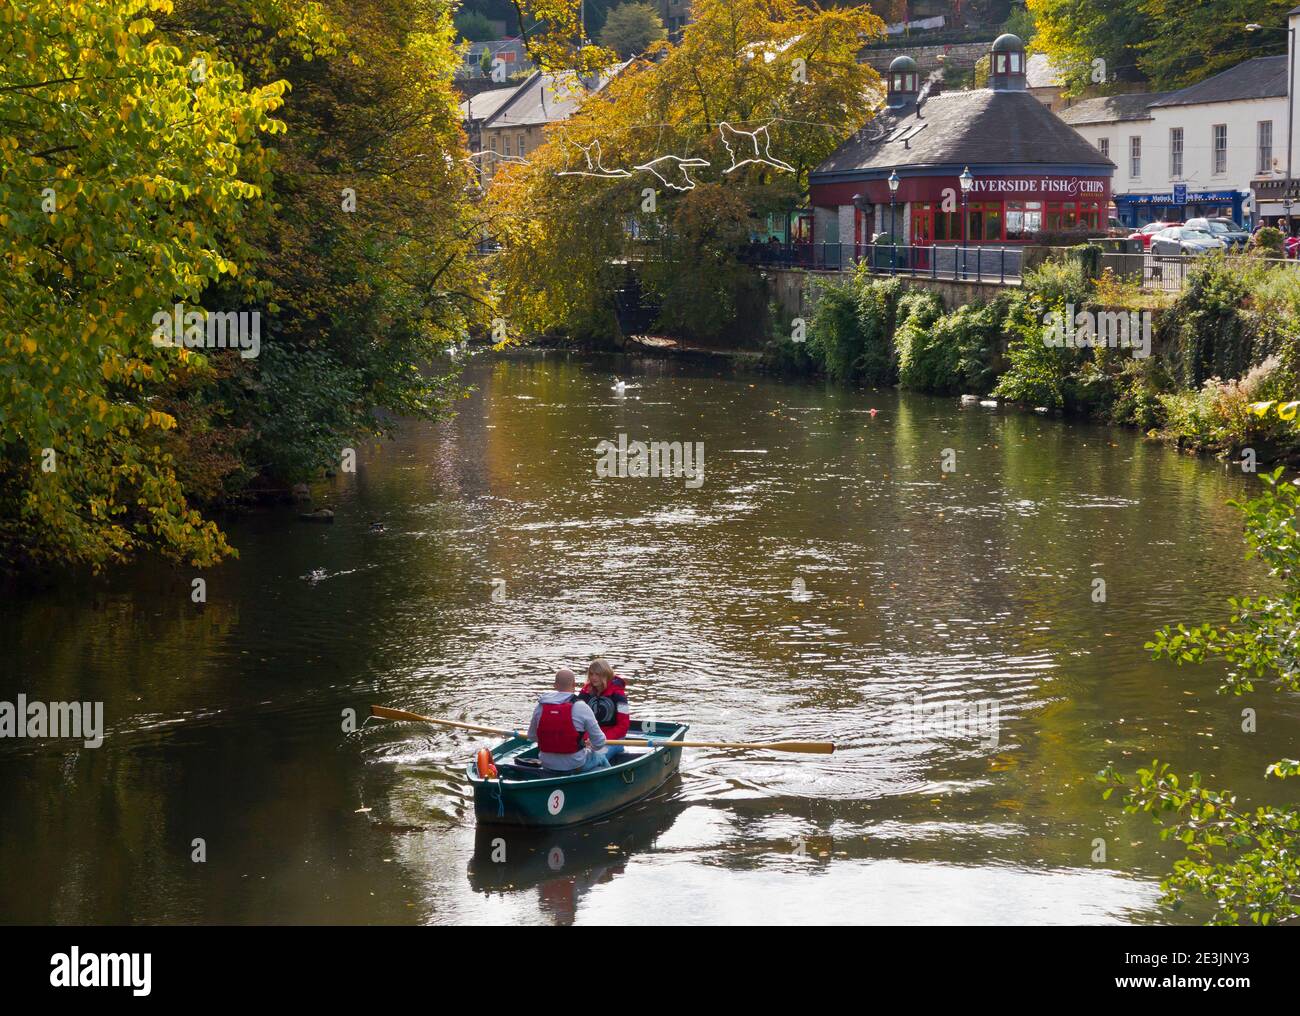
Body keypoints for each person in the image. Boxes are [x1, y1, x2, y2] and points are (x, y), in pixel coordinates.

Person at [528, 669, 609, 773]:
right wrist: (590, 746)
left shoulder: (540, 707)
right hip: (575, 763)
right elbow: (600, 742)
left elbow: (531, 736)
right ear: (574, 685)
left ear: (555, 685)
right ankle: (614, 784)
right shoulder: (581, 707)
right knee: (601, 757)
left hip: (547, 763)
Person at [578, 659, 630, 761]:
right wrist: (587, 738)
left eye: (597, 674)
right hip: (589, 739)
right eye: (591, 674)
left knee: (596, 758)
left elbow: (623, 726)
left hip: (614, 740)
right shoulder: (585, 692)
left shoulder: (620, 695)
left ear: (606, 675)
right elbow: (578, 721)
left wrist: (599, 739)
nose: (593, 678)